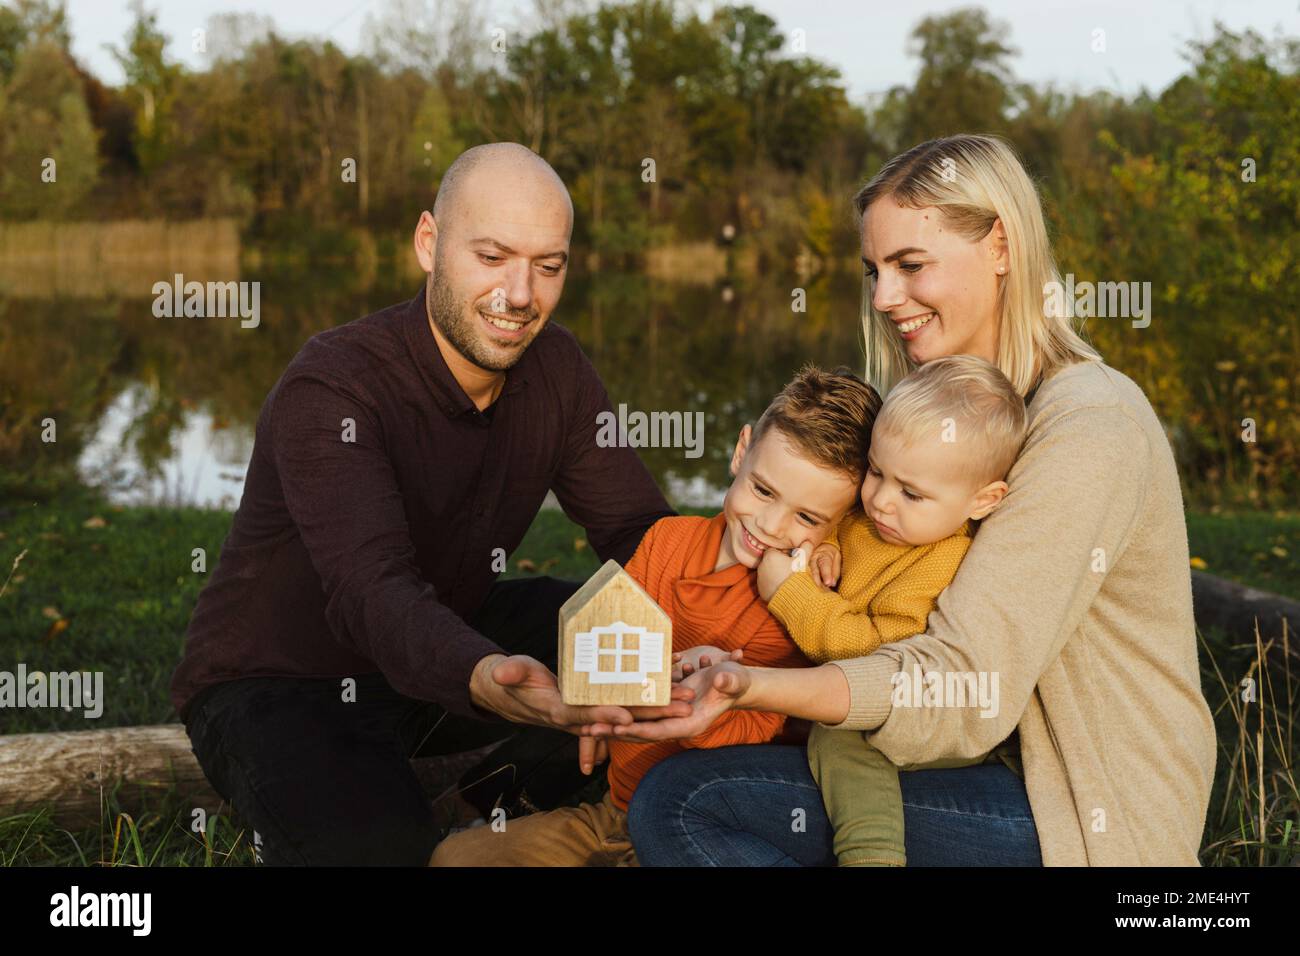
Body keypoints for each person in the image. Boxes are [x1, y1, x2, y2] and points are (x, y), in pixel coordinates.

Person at [597, 134, 1218, 867]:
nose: (885, 298)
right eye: (874, 271)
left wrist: (756, 686)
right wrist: (734, 660)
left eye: (910, 265)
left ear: (1000, 246)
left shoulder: (1089, 424)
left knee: (686, 801)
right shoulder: (934, 420)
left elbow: (959, 692)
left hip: (1075, 804)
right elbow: (846, 579)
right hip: (941, 765)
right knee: (685, 783)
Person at [170, 143, 685, 866]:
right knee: (382, 850)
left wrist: (737, 582)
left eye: (548, 265)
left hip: (448, 633)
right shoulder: (333, 388)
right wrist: (487, 679)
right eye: (493, 256)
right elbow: (370, 591)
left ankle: (495, 805)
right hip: (282, 679)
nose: (520, 294)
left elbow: (637, 531)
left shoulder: (558, 367)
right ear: (428, 243)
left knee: (648, 638)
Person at [429, 366, 878, 865]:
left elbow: (759, 733)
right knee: (455, 858)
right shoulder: (667, 541)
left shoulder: (801, 603)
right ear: (740, 451)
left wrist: (703, 691)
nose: (770, 526)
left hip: (707, 824)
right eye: (764, 491)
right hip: (614, 811)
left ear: (843, 521)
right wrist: (595, 713)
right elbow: (607, 642)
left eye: (808, 518)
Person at [759, 354, 1027, 866]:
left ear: (983, 500)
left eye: (910, 492)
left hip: (921, 715)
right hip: (847, 688)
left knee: (844, 741)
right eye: (876, 472)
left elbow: (875, 652)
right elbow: (844, 520)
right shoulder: (877, 518)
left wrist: (788, 594)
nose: (881, 500)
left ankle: (872, 853)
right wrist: (827, 543)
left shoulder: (941, 559)